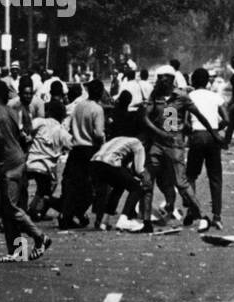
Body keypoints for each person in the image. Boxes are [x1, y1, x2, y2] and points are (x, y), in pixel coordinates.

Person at [0, 80, 50, 260]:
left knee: (11, 208)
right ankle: (16, 252)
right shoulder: (13, 112)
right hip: (20, 158)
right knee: (9, 208)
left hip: (8, 161)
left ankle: (40, 237)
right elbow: (24, 136)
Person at [141, 70, 204, 229]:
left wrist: (213, 132)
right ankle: (147, 222)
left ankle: (199, 214)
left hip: (174, 144)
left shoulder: (181, 97)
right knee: (147, 182)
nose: (161, 81)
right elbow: (146, 117)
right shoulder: (155, 96)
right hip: (157, 144)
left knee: (181, 183)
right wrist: (158, 132)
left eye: (164, 78)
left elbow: (196, 115)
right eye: (159, 78)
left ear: (171, 80)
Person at [184, 67, 229, 228]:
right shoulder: (216, 97)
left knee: (191, 176)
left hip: (196, 137)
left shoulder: (188, 96)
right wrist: (216, 128)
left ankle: (191, 210)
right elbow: (226, 118)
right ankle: (217, 216)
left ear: (193, 81)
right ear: (208, 82)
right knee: (215, 177)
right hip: (213, 138)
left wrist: (188, 130)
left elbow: (183, 121)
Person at [59, 79, 105, 229]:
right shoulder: (97, 109)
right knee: (90, 187)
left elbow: (71, 125)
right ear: (100, 92)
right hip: (89, 149)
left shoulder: (79, 106)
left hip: (75, 149)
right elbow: (98, 133)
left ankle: (67, 216)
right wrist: (104, 139)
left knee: (73, 185)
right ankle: (78, 212)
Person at [89, 134, 152, 231]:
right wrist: (146, 178)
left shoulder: (119, 139)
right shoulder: (138, 144)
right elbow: (139, 170)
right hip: (109, 163)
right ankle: (124, 220)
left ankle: (104, 222)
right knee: (137, 188)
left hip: (94, 163)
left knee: (119, 186)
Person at [25, 99, 72, 222]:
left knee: (39, 189)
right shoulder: (61, 131)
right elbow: (71, 144)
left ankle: (32, 210)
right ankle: (35, 212)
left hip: (31, 162)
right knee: (45, 191)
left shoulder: (40, 122)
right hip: (46, 168)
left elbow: (27, 130)